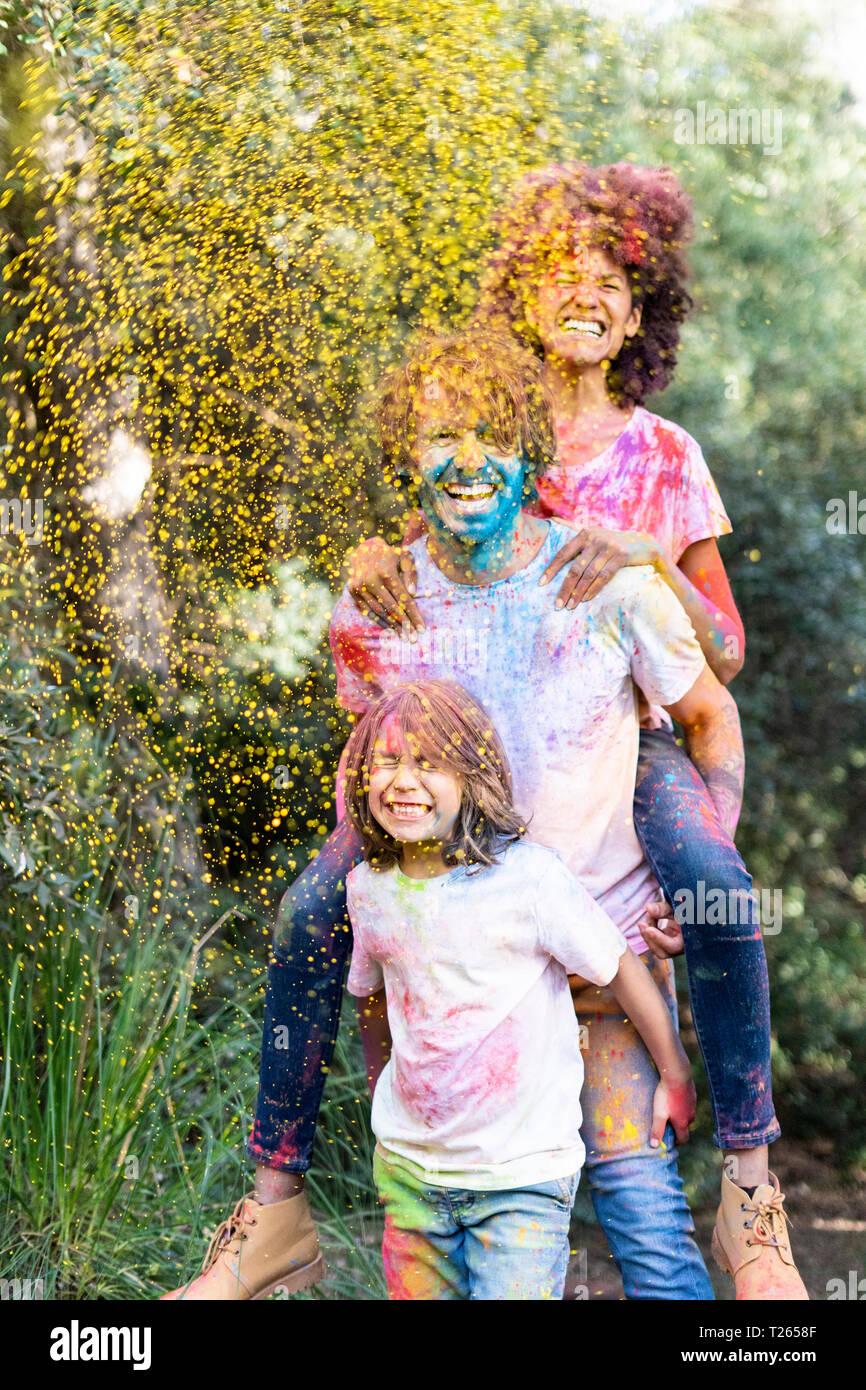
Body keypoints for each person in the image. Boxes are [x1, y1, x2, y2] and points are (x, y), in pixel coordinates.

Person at [161, 330, 797, 1302]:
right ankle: (273, 1208)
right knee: (436, 1233)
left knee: (639, 1212)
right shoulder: (374, 606)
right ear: (404, 457)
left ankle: (751, 1200)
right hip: (466, 978)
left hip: (600, 945)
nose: (463, 459)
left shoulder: (606, 584)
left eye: (487, 435)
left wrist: (697, 858)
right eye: (438, 435)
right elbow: (376, 779)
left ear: (528, 456)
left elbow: (710, 714)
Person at [344, 163, 807, 1300]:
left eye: (610, 280)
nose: (584, 295)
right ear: (526, 297)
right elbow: (433, 576)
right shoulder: (488, 430)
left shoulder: (663, 455)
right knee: (324, 908)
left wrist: (646, 555)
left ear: (638, 312)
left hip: (637, 741)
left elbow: (722, 658)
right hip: (491, 757)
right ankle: (281, 1196)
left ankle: (750, 1191)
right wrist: (366, 558)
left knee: (714, 888)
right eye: (561, 276)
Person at [342, 678, 695, 1301]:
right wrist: (383, 1100)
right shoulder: (368, 890)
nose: (401, 781)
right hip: (409, 1174)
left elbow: (622, 969)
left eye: (428, 763)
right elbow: (373, 1001)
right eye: (388, 762)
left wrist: (673, 1072)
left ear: (473, 777)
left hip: (521, 1178)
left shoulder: (529, 880)